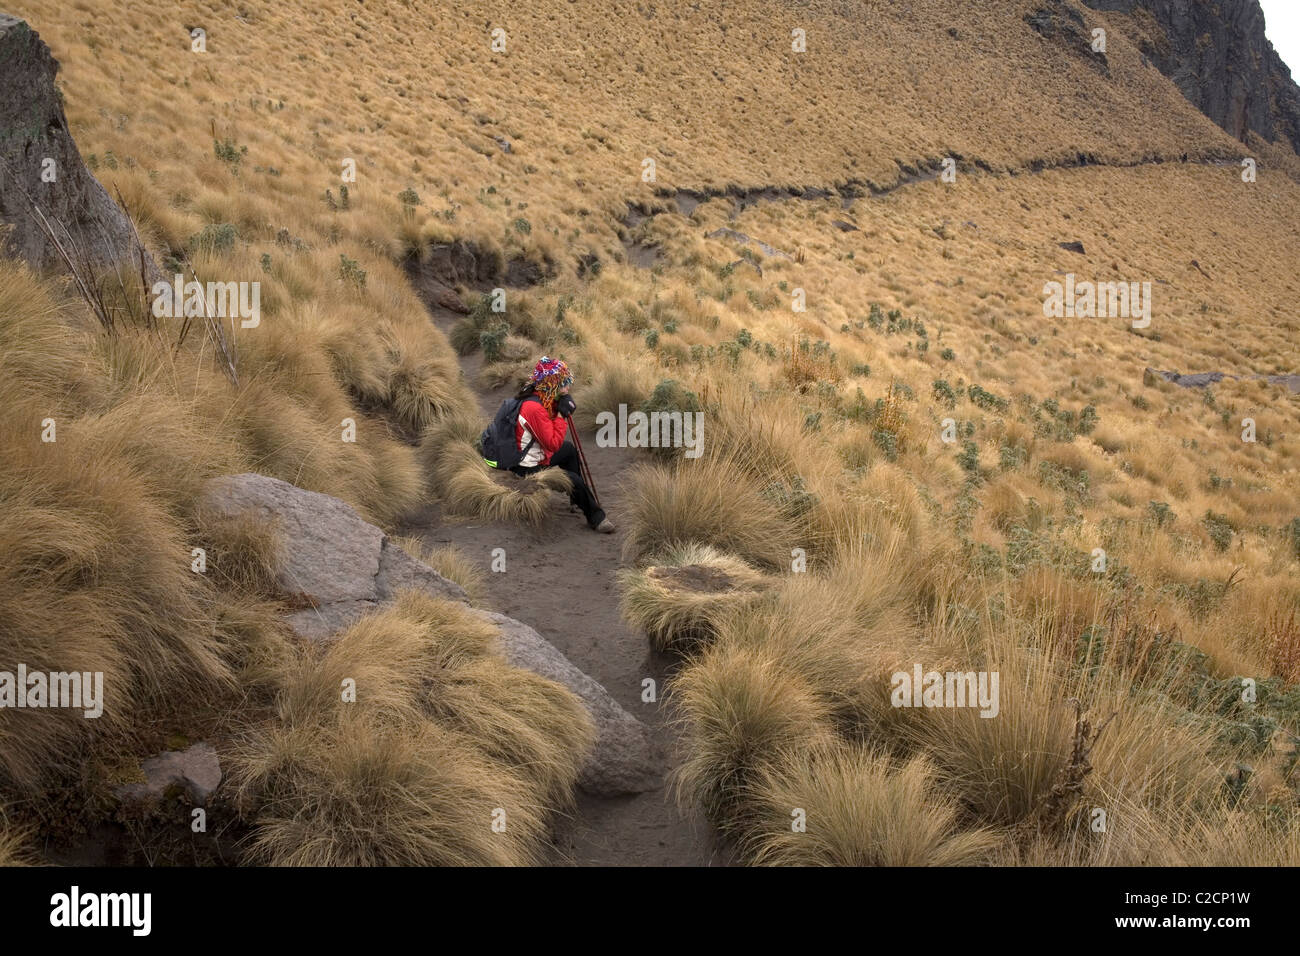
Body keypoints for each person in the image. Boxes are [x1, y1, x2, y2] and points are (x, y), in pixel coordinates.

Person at [511, 356, 614, 533]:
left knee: (569, 451)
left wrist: (559, 404)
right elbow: (552, 443)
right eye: (564, 382)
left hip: (532, 455)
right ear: (551, 384)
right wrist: (561, 416)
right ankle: (597, 518)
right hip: (525, 466)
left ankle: (576, 499)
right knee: (572, 479)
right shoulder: (533, 408)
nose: (568, 386)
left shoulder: (540, 395)